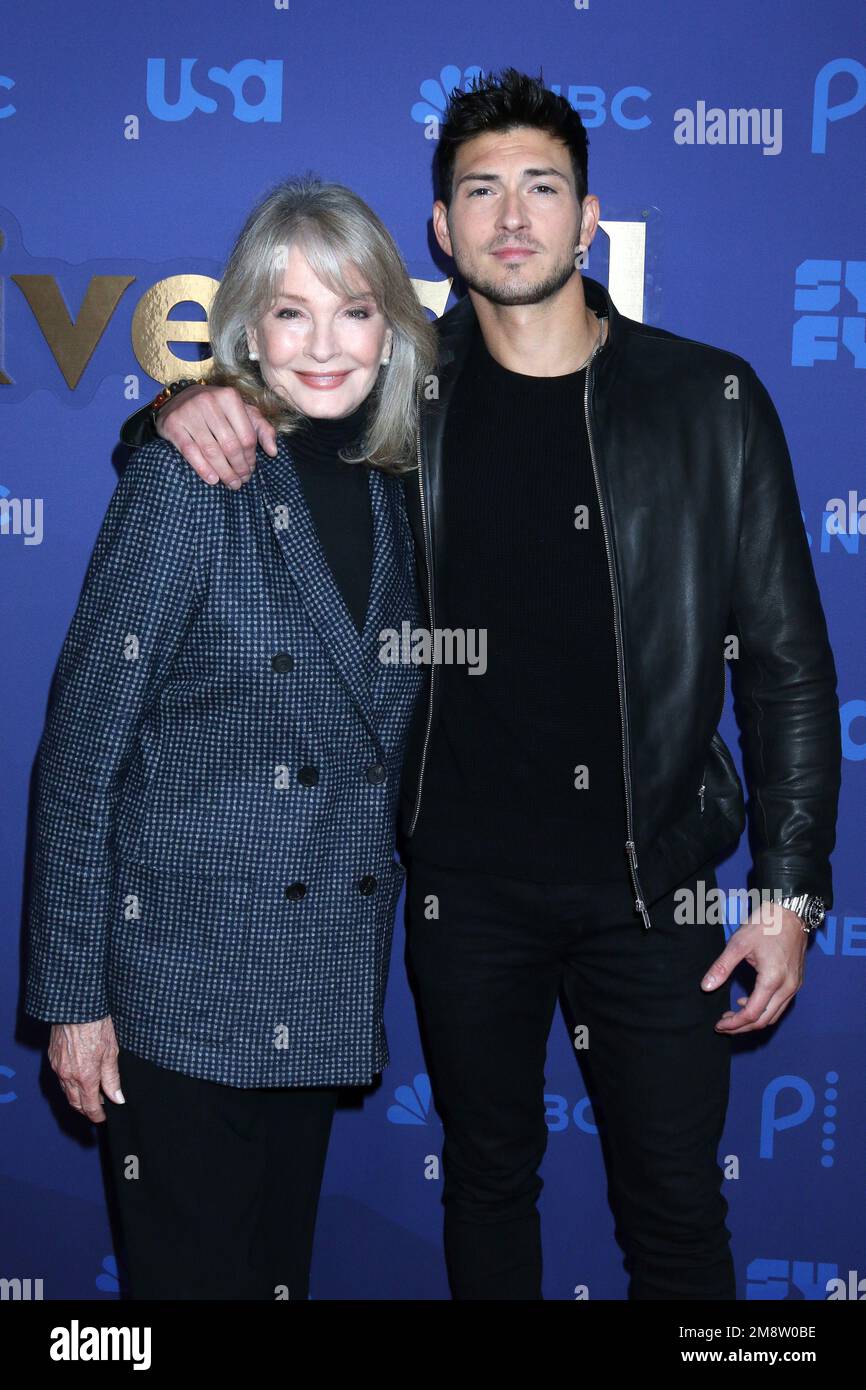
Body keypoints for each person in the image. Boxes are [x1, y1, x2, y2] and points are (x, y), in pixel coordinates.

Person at [117, 70, 842, 1301]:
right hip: (463, 885)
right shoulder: (400, 390)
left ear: (588, 217)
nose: (513, 216)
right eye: (480, 191)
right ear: (443, 230)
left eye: (541, 188)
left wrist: (789, 889)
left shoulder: (705, 399)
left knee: (676, 1219)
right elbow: (253, 418)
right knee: (487, 1189)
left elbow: (783, 662)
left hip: (652, 876)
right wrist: (173, 412)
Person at [25, 175, 436, 1300]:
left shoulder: (404, 485)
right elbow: (78, 752)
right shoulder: (190, 477)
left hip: (316, 984)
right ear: (247, 327)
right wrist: (73, 998)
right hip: (175, 991)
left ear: (390, 327)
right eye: (290, 311)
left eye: (352, 310)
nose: (322, 343)